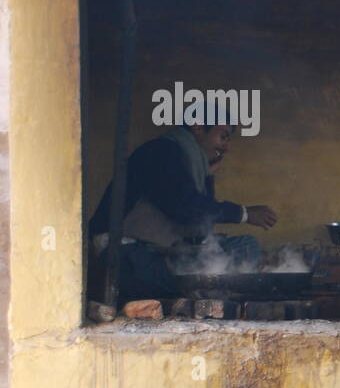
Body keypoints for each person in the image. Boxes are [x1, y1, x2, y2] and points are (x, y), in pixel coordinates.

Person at [89, 122, 278, 300]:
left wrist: (207, 177)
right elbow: (186, 209)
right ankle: (215, 298)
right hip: (130, 261)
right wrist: (244, 213)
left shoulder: (184, 157)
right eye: (223, 136)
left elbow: (202, 227)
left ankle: (215, 294)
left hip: (149, 257)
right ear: (197, 127)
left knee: (243, 246)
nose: (227, 147)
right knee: (238, 253)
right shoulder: (162, 151)